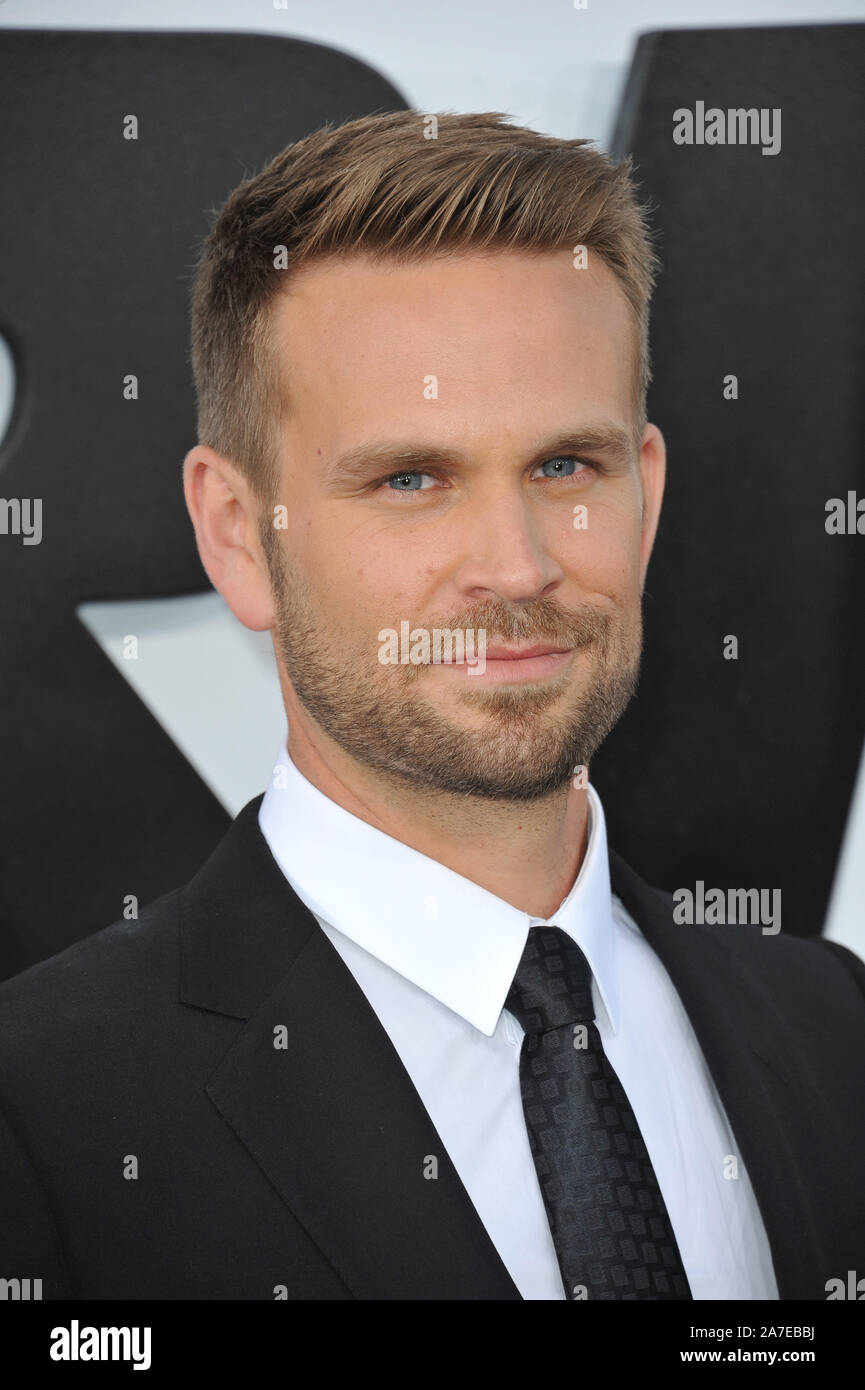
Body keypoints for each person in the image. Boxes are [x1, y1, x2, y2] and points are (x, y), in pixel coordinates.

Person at [0, 111, 863, 1302]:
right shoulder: (40, 1111)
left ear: (645, 493)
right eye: (411, 479)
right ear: (239, 535)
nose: (514, 568)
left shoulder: (835, 1033)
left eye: (565, 466)